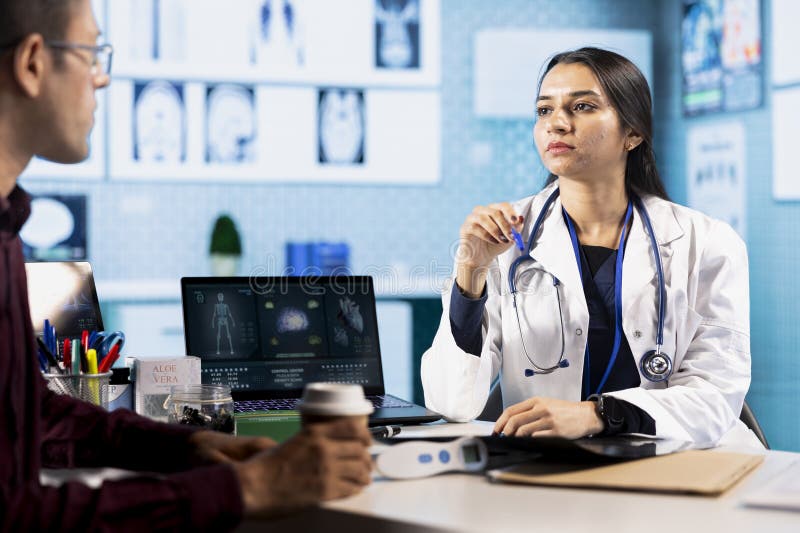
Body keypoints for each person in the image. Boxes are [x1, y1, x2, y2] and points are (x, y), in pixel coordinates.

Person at [0, 1, 372, 530]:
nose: (102, 80)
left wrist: (188, 445)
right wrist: (248, 488)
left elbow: (36, 417)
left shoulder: (7, 232)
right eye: (91, 54)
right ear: (33, 62)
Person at [421, 47, 758, 447]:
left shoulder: (706, 243)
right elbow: (450, 402)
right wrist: (470, 270)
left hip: (680, 460)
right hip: (551, 466)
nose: (557, 124)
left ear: (632, 133)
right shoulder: (503, 239)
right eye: (544, 110)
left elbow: (717, 393)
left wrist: (597, 414)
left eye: (581, 106)